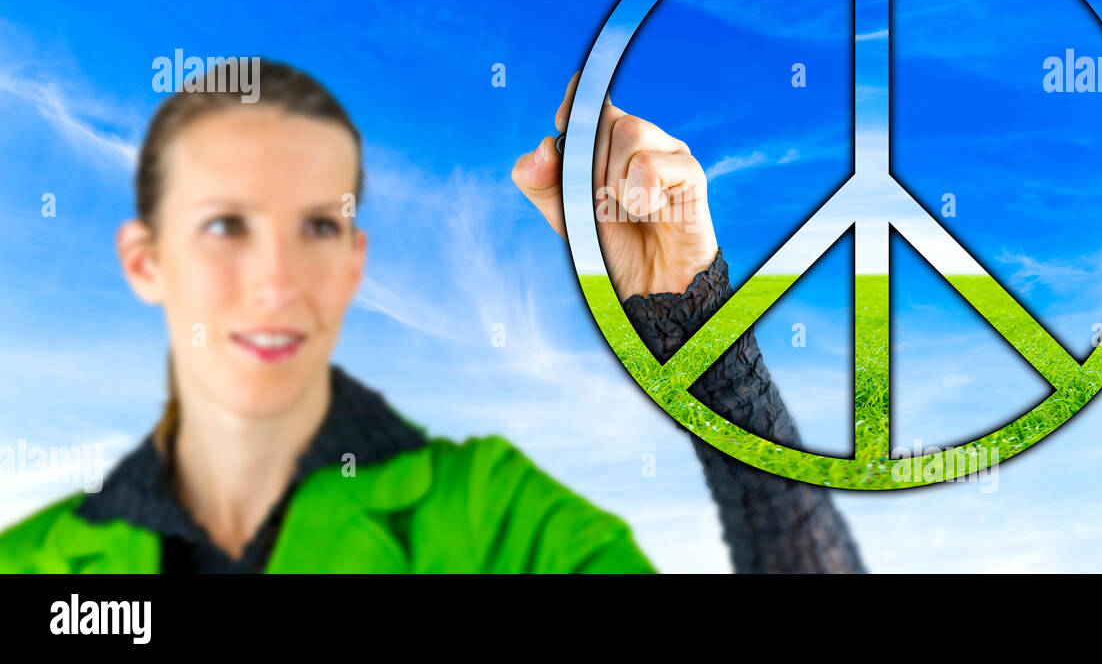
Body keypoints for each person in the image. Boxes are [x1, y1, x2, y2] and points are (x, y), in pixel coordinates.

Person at [0, 60, 862, 573]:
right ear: (145, 258)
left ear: (353, 264)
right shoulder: (37, 564)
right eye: (225, 223)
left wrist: (696, 329)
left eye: (316, 225)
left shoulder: (495, 518)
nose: (275, 278)